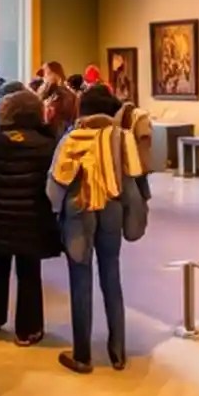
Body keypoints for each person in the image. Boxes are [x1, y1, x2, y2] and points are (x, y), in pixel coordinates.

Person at [49, 84, 148, 374]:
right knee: (111, 275)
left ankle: (82, 356)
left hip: (80, 211)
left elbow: (57, 181)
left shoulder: (73, 137)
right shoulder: (122, 138)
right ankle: (118, 353)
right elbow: (135, 176)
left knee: (80, 279)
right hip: (113, 209)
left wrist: (55, 213)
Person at [0, 90, 61, 345]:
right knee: (29, 274)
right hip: (31, 218)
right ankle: (28, 329)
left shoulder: (0, 141)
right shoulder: (47, 143)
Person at [39, 61, 78, 138]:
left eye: (47, 73)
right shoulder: (47, 92)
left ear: (56, 74)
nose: (44, 77)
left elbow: (65, 117)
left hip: (59, 134)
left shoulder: (65, 94)